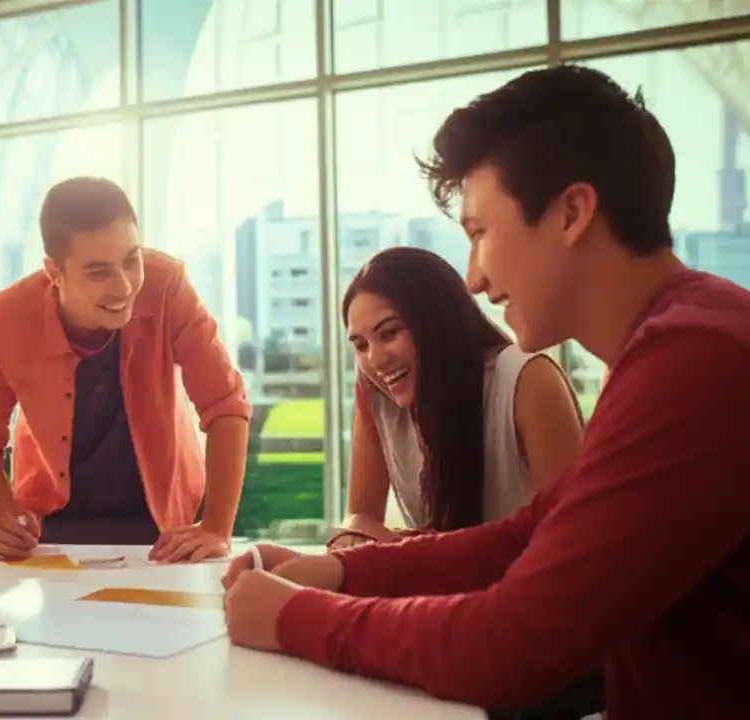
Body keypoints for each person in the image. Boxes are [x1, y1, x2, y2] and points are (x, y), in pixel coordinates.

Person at [221, 65, 750, 719]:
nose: (473, 278)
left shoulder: (695, 359)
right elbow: (526, 534)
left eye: (479, 233)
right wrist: (339, 572)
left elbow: (512, 642)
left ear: (571, 213)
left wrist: (297, 617)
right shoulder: (671, 346)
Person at [0, 176, 251, 563]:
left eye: (131, 260)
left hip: (166, 524)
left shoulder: (168, 286)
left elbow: (226, 405)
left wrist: (216, 528)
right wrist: (7, 519)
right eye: (98, 272)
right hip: (52, 527)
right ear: (54, 273)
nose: (124, 287)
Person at [333, 245, 584, 550]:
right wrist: (356, 533)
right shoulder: (376, 396)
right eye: (360, 346)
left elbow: (573, 537)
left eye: (389, 333)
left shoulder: (528, 380)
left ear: (436, 322)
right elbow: (360, 517)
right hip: (445, 588)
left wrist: (404, 546)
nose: (375, 359)